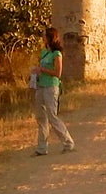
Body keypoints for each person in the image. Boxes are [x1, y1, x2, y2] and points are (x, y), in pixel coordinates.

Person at [31, 27, 76, 155]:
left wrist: (43, 70)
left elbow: (58, 73)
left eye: (44, 35)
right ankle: (42, 147)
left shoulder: (57, 54)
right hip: (41, 86)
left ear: (50, 37)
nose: (42, 37)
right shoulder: (44, 52)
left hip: (51, 87)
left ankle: (68, 142)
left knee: (52, 116)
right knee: (41, 117)